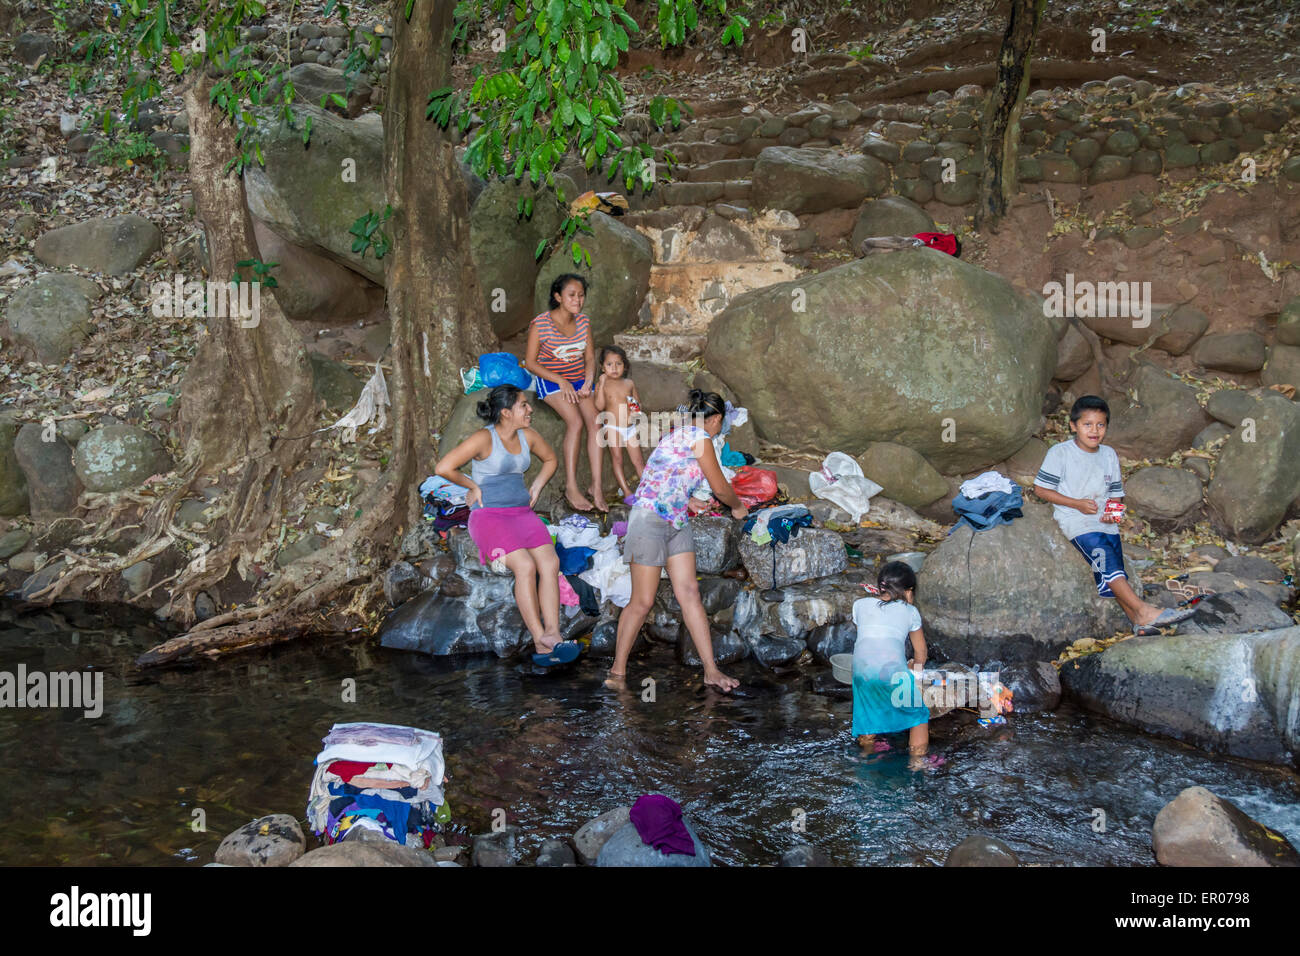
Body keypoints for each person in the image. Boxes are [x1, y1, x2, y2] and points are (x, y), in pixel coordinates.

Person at [607, 390, 748, 692]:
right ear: (717, 420)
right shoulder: (701, 438)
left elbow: (667, 476)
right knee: (642, 602)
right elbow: (721, 489)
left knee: (690, 593)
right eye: (721, 424)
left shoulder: (678, 434)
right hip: (648, 520)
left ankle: (711, 670)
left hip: (676, 519)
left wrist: (687, 502)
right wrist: (737, 507)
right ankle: (617, 673)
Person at [1032, 395, 1198, 635]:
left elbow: (1116, 493)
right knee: (1107, 562)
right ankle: (1143, 610)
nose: (1094, 430)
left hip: (1105, 525)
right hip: (1077, 522)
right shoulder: (1061, 453)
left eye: (1100, 425)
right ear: (1073, 426)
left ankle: (1138, 622)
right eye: (1087, 424)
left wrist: (1114, 513)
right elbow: (1041, 489)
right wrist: (1076, 504)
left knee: (1112, 574)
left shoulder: (1108, 454)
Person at [435, 385, 576, 662]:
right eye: (524, 405)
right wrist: (472, 486)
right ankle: (539, 640)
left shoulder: (528, 436)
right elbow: (444, 468)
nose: (530, 409)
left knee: (550, 564)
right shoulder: (483, 439)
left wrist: (535, 487)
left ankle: (553, 633)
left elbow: (550, 459)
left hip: (523, 514)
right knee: (525, 566)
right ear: (506, 412)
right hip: (489, 518)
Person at [523, 273, 607, 513]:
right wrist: (561, 381)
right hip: (550, 379)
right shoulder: (541, 324)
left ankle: (596, 487)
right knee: (576, 422)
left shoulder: (584, 322)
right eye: (572, 295)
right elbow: (530, 362)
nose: (577, 300)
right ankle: (571, 486)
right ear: (558, 296)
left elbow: (590, 357)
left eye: (581, 295)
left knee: (596, 423)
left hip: (579, 378)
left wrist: (588, 380)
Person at [851, 561, 934, 769]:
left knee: (867, 710)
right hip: (891, 675)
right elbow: (921, 651)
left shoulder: (860, 605)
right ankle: (917, 761)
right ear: (908, 592)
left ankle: (867, 754)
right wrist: (916, 667)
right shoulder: (910, 611)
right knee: (919, 715)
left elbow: (872, 641)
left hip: (861, 673)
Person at [593, 344, 645, 501]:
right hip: (612, 427)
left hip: (629, 427)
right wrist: (601, 384)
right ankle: (626, 491)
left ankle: (647, 489)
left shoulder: (629, 383)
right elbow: (599, 406)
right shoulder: (602, 385)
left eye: (618, 364)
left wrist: (636, 411)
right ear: (602, 368)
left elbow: (638, 403)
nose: (614, 368)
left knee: (638, 460)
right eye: (609, 364)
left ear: (625, 366)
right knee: (617, 459)